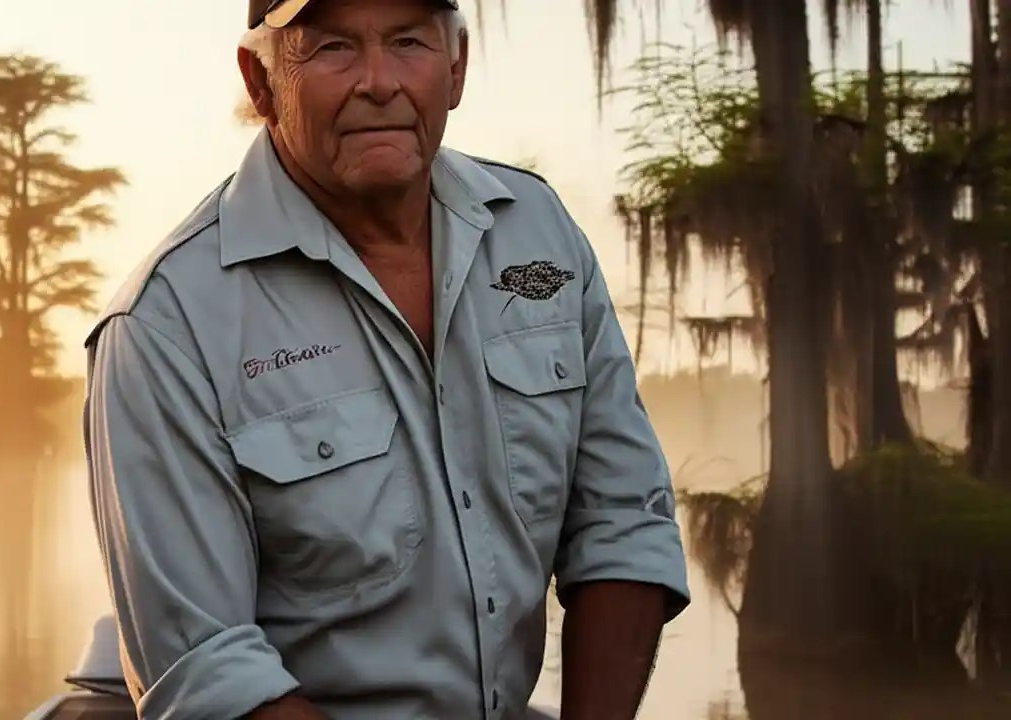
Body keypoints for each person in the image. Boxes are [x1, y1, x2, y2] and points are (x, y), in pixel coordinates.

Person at [82, 0, 691, 717]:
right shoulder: (166, 326)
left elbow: (623, 522)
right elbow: (207, 672)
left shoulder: (539, 235)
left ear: (456, 66)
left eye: (408, 41)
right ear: (261, 81)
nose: (378, 81)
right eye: (333, 47)